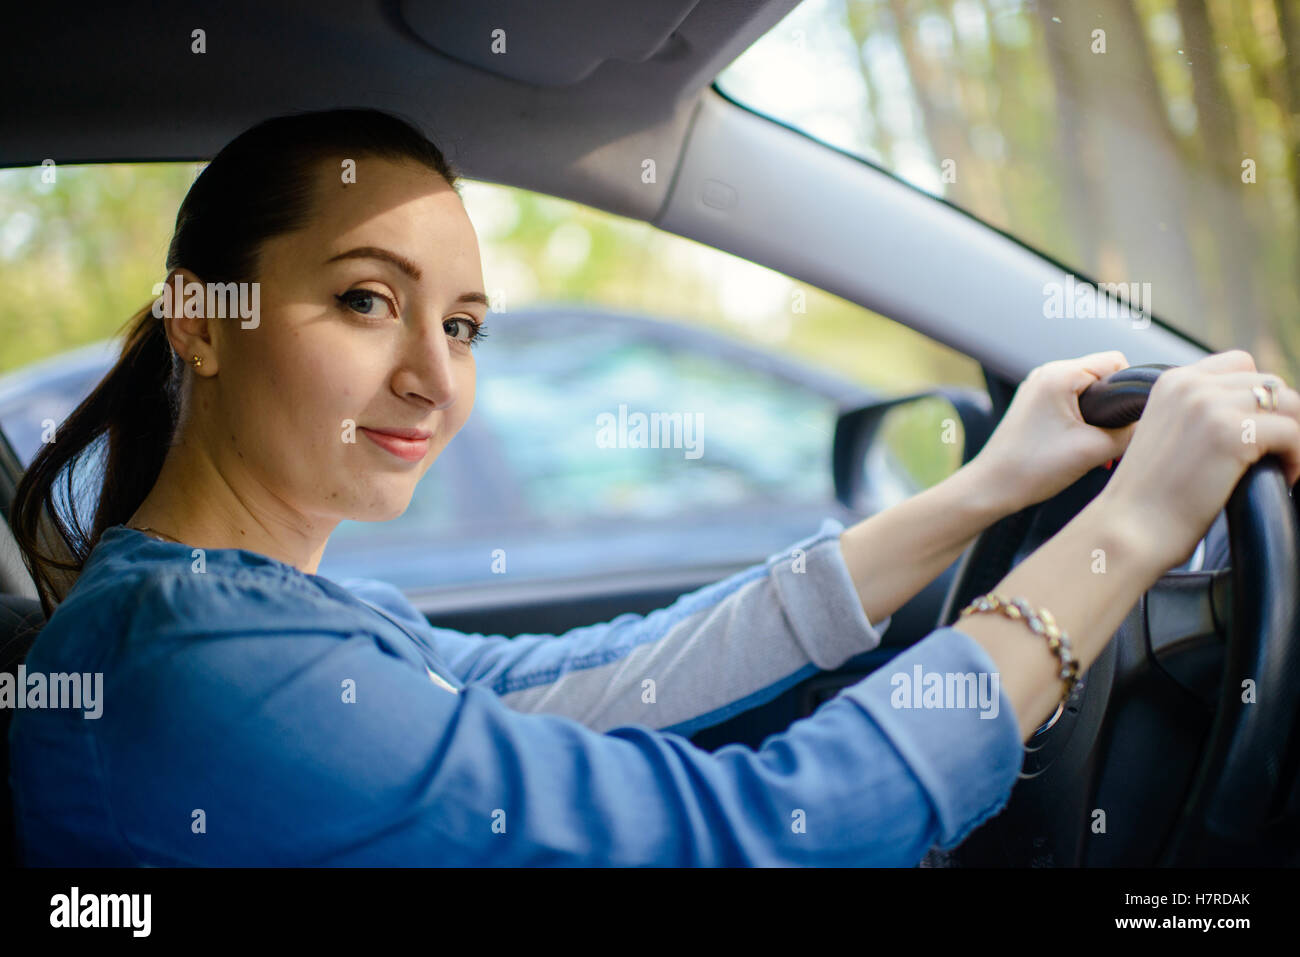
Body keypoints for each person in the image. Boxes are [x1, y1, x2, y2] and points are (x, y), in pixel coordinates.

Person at [8, 109, 1299, 866]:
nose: (432, 377)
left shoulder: (241, 610)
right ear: (203, 321)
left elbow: (593, 685)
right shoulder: (199, 669)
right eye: (365, 301)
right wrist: (1126, 533)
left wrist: (977, 495)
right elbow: (758, 834)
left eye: (463, 326)